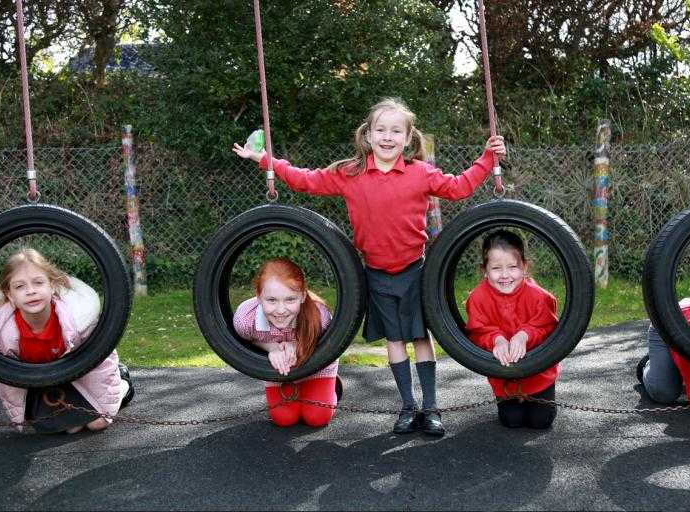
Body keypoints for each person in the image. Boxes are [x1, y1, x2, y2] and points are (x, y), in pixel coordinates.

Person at [233, 97, 506, 437]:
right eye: (380, 130)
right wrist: (265, 161)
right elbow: (305, 179)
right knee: (394, 340)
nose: (387, 137)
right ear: (368, 135)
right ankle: (408, 406)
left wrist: (486, 158)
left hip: (415, 270)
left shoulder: (421, 173)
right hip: (376, 273)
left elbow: (459, 186)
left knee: (420, 337)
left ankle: (431, 407)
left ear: (408, 138)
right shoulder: (351, 173)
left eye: (396, 131)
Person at [0, 248, 134, 434]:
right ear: (10, 295)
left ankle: (123, 383)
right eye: (20, 286)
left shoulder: (78, 322)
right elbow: (6, 377)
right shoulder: (2, 332)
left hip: (81, 374)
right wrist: (20, 416)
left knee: (97, 423)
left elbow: (100, 360)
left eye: (38, 283)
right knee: (71, 428)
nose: (31, 291)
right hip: (41, 381)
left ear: (52, 286)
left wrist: (106, 406)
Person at [465, 230, 560, 429]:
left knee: (541, 421)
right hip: (504, 378)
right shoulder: (477, 298)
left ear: (524, 267)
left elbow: (549, 329)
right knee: (512, 421)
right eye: (496, 268)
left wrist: (524, 335)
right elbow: (477, 332)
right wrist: (496, 340)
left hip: (539, 377)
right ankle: (510, 405)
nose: (505, 275)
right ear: (485, 270)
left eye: (512, 267)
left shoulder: (539, 297)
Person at [233, 258, 341, 427]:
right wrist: (271, 347)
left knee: (317, 417)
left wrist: (299, 344)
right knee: (284, 419)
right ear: (259, 297)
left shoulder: (320, 317)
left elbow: (331, 345)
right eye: (272, 300)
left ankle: (332, 388)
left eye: (290, 299)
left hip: (316, 365)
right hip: (281, 368)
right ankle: (302, 396)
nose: (281, 310)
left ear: (303, 296)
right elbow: (247, 341)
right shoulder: (246, 320)